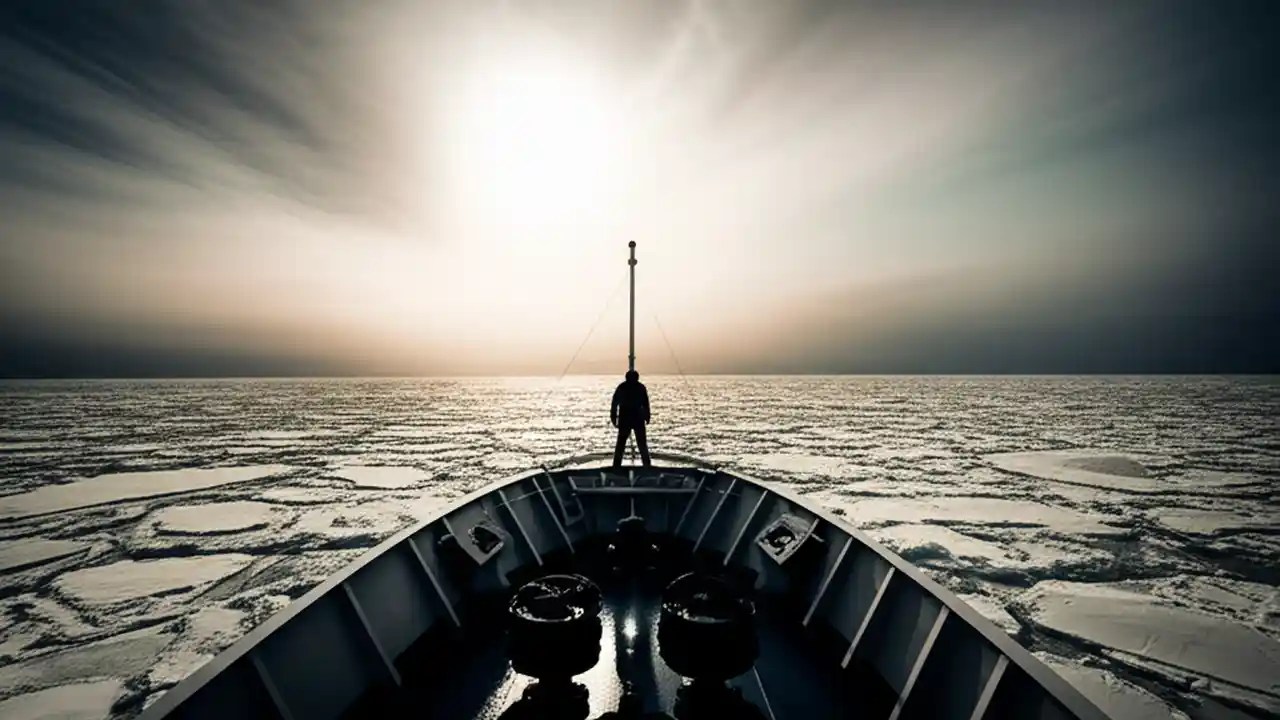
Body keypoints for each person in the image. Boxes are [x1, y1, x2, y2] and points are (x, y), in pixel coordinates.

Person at [611, 370, 651, 467]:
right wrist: (647, 416)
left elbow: (645, 403)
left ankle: (617, 465)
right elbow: (615, 403)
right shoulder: (631, 387)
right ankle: (646, 465)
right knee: (624, 443)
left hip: (633, 418)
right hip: (630, 418)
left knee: (638, 443)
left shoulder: (625, 387)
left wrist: (647, 416)